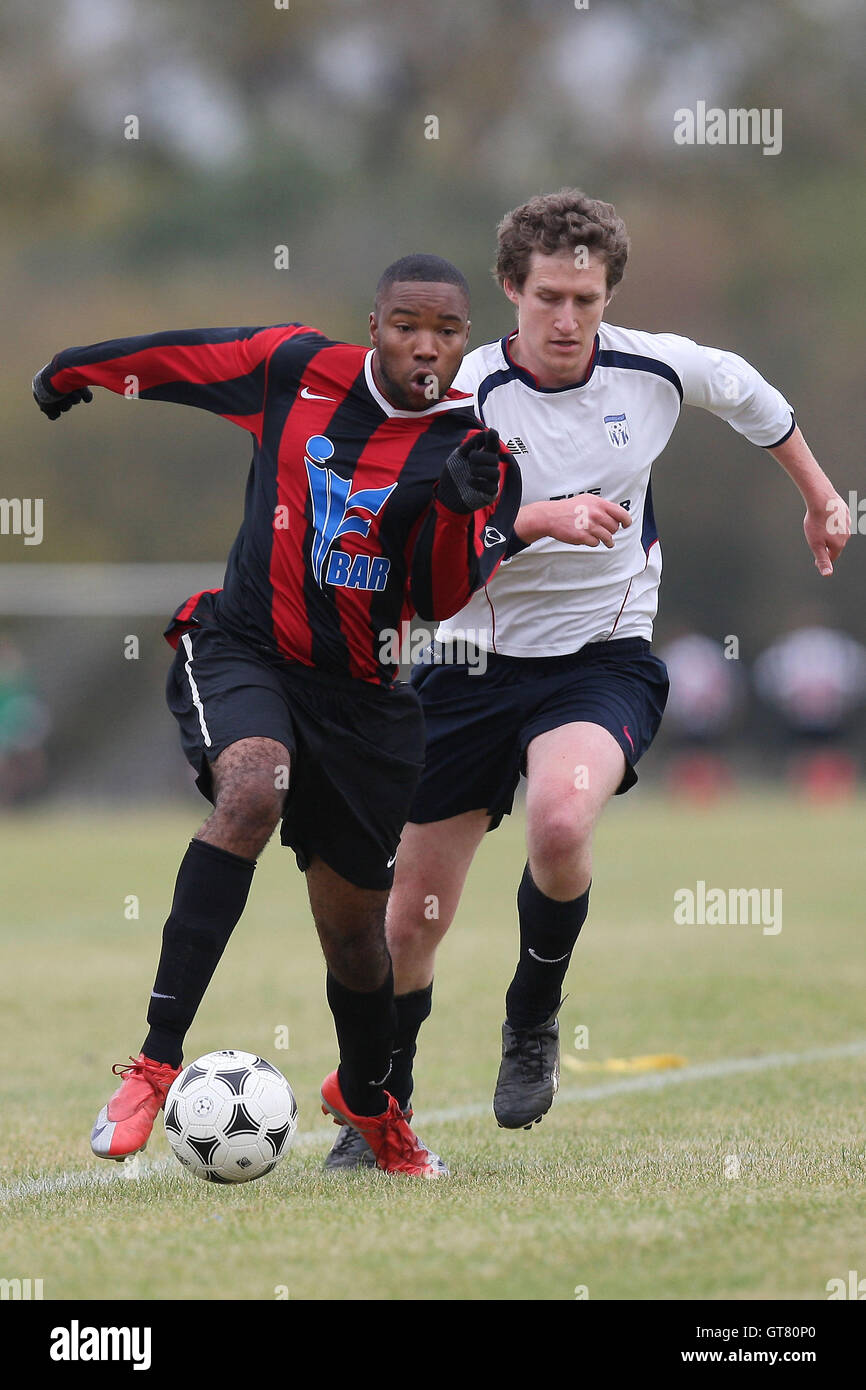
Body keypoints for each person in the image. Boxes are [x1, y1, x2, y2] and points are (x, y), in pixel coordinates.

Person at [324, 189, 851, 1169]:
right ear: (509, 293)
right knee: (407, 921)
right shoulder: (458, 394)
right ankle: (378, 1108)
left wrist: (819, 498)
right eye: (548, 299)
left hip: (598, 658)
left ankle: (530, 1020)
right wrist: (535, 516)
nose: (567, 320)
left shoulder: (652, 367)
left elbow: (753, 400)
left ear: (607, 294)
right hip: (465, 664)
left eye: (586, 298)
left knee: (561, 822)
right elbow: (406, 529)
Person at [32, 253, 522, 1179]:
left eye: (448, 332)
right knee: (252, 791)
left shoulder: (479, 450)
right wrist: (76, 369)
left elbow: (440, 596)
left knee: (353, 935)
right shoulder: (294, 369)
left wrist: (460, 510)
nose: (427, 346)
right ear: (372, 322)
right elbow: (180, 360)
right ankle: (154, 1063)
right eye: (407, 324)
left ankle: (371, 1104)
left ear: (467, 341)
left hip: (367, 700)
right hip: (246, 649)